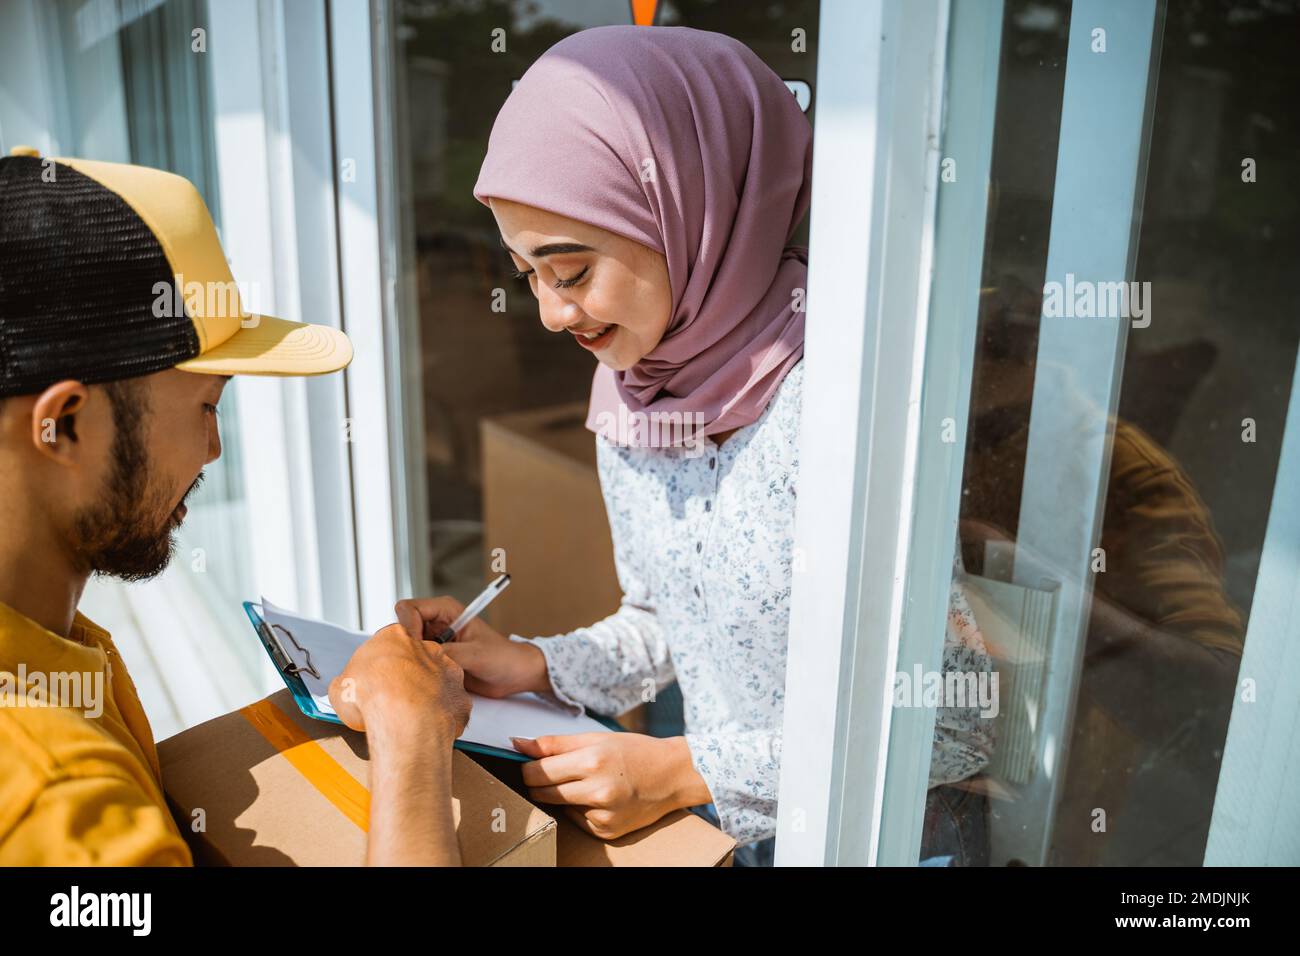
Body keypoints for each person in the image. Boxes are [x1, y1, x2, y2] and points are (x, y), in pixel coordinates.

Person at [394, 26, 995, 866]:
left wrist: (685, 768)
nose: (551, 315)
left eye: (569, 272)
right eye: (526, 275)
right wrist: (532, 664)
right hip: (734, 837)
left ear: (692, 212)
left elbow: (958, 721)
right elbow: (666, 624)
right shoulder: (637, 391)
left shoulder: (853, 399)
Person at [0, 151, 469, 866]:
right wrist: (410, 736)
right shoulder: (59, 805)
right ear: (63, 423)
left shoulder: (46, 638)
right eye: (207, 405)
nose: (213, 450)